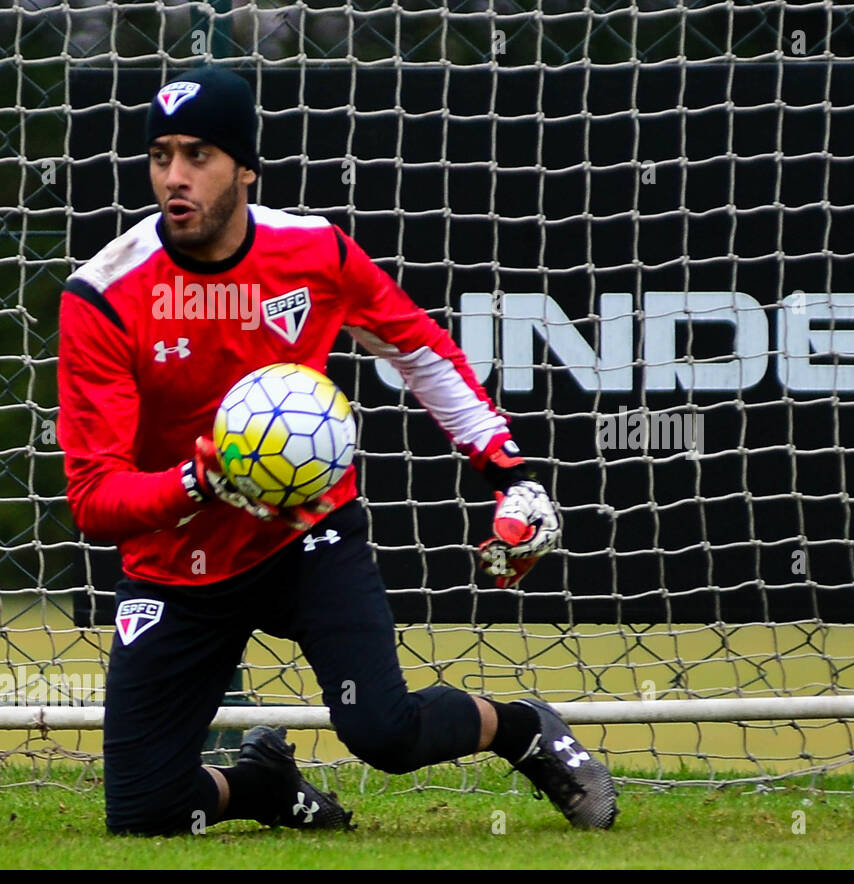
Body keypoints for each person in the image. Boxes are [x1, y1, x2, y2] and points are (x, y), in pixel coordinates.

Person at [57, 66, 618, 835]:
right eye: (160, 156)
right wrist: (199, 481)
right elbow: (94, 498)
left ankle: (523, 728)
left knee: (384, 732)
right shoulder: (103, 294)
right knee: (143, 811)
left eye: (198, 154)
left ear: (246, 167)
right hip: (176, 562)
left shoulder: (313, 250)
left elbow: (419, 349)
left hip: (307, 535)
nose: (174, 177)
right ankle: (261, 785)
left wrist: (508, 471)